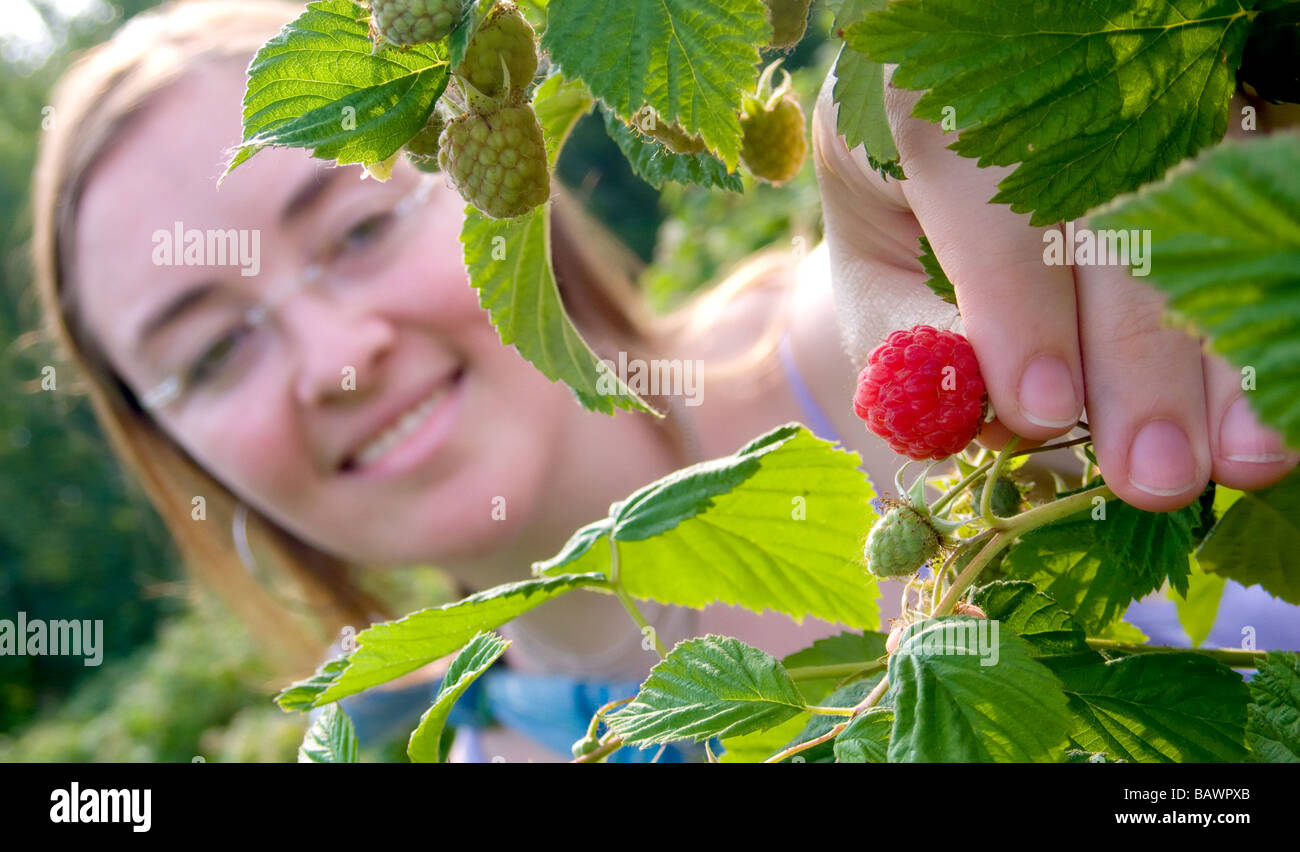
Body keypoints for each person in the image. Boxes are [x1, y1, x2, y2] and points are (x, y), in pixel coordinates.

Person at [29, 0, 1297, 762]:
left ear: (503, 166)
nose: (337, 357)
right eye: (209, 352)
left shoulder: (903, 342)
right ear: (172, 451)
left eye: (355, 227)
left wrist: (1090, 103)